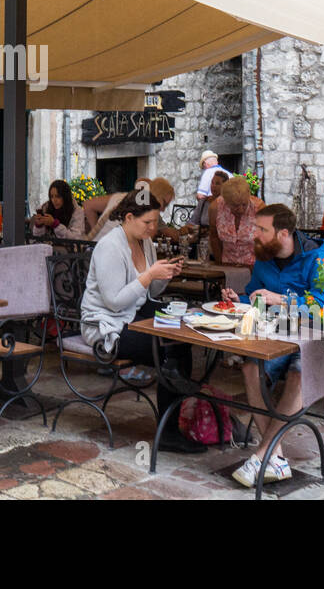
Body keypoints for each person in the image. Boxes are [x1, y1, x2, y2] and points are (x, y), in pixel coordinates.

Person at [221, 203, 324, 487]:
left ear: (283, 233)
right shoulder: (264, 259)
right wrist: (240, 299)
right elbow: (257, 296)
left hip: (317, 337)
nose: (254, 234)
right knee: (250, 368)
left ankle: (263, 452)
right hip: (278, 334)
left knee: (299, 372)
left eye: (262, 229)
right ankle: (276, 457)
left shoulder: (318, 260)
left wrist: (282, 300)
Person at [80, 189, 202, 453]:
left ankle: (172, 413)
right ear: (128, 217)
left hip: (134, 313)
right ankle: (169, 422)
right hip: (106, 324)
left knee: (183, 333)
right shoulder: (110, 247)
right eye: (147, 222)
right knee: (166, 345)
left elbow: (150, 293)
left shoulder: (144, 241)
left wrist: (165, 274)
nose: (153, 228)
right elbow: (113, 301)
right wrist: (148, 276)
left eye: (156, 222)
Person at [88, 177, 177, 242]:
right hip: (102, 254)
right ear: (157, 194)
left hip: (94, 247)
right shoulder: (144, 209)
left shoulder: (127, 198)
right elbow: (146, 240)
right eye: (164, 203)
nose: (163, 209)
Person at [206, 175, 265, 267]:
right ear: (225, 201)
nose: (241, 210)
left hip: (255, 266)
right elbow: (214, 237)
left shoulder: (259, 208)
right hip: (227, 264)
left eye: (244, 204)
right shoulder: (215, 208)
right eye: (235, 206)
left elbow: (266, 242)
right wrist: (220, 263)